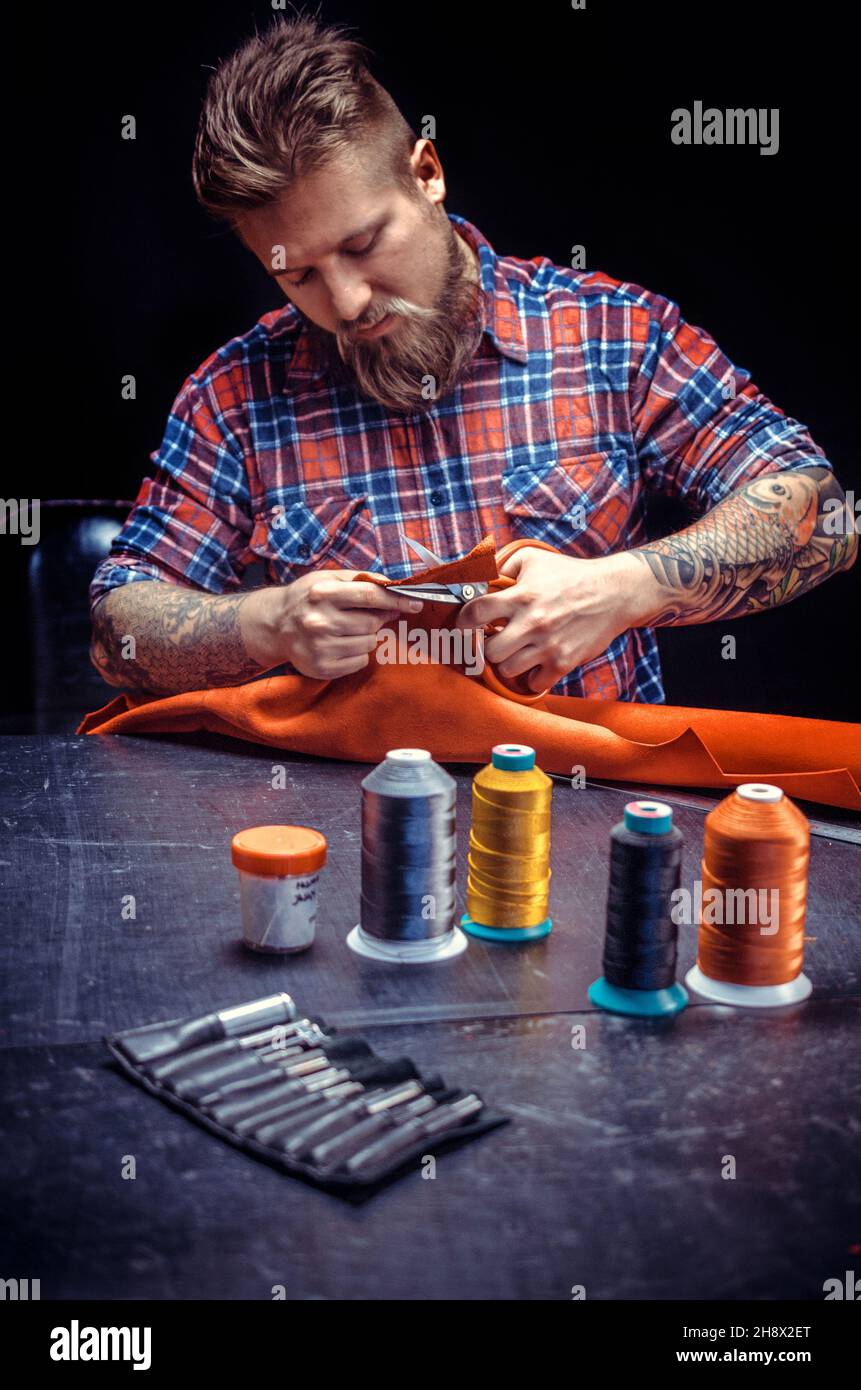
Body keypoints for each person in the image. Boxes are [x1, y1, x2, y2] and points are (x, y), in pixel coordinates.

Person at [90, 15, 857, 701]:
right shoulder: (233, 395)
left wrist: (624, 589)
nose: (348, 301)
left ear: (427, 173)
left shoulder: (610, 333)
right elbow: (116, 625)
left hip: (590, 815)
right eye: (299, 274)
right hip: (343, 824)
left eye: (362, 245)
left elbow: (826, 513)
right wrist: (266, 624)